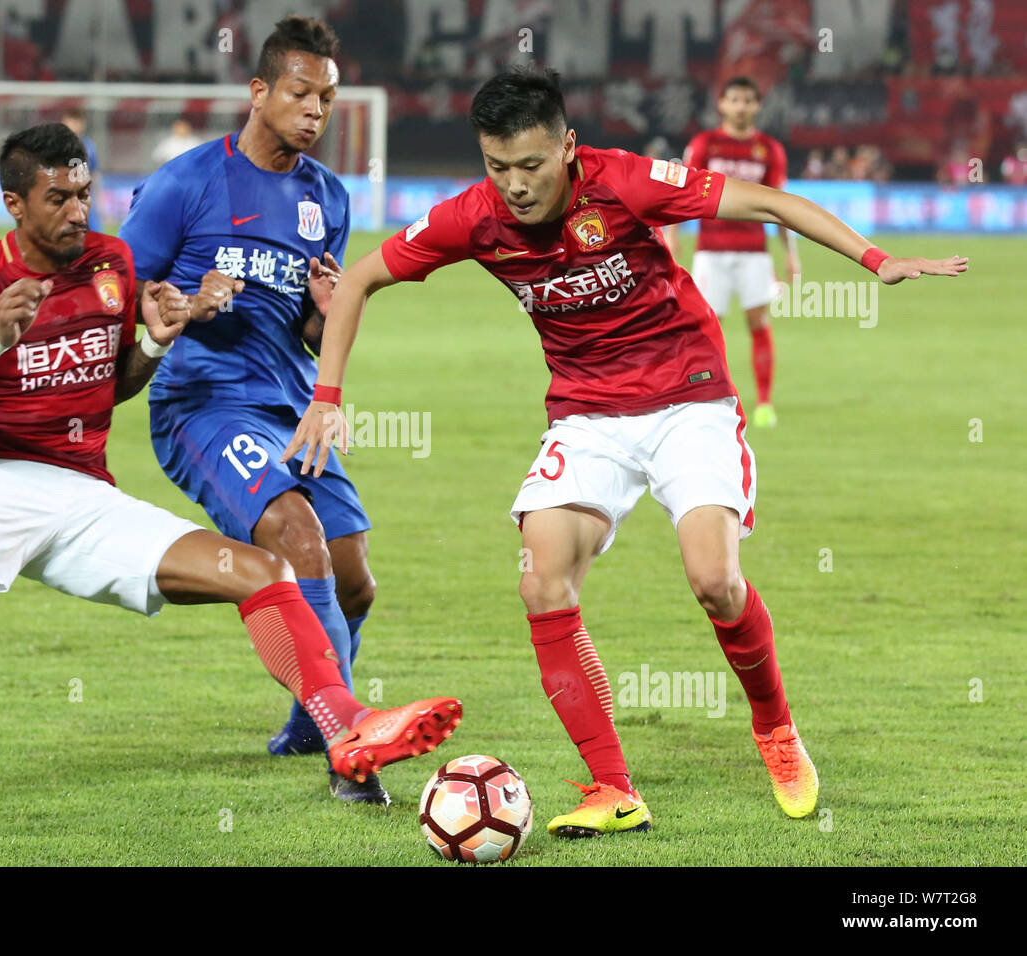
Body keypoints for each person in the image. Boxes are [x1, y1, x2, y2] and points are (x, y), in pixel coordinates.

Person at [284, 67, 967, 837]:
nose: (514, 186)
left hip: (689, 398)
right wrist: (327, 397)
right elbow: (363, 277)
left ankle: (774, 726)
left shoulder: (627, 183)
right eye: (497, 167)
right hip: (588, 414)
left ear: (568, 149)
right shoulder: (473, 218)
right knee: (543, 582)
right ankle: (613, 788)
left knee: (714, 581)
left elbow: (771, 202)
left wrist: (878, 262)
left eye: (532, 166)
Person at [0, 123, 461, 834]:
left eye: (85, 194)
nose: (78, 211)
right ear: (15, 204)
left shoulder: (112, 264)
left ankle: (348, 727)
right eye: (58, 198)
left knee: (263, 571)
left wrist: (159, 339)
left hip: (83, 492)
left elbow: (113, 386)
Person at [118, 16, 386, 804]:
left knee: (354, 580)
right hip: (201, 403)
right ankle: (351, 747)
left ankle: (306, 726)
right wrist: (178, 305)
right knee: (296, 537)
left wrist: (326, 312)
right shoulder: (188, 181)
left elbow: (309, 330)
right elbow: (117, 282)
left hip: (287, 406)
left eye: (328, 99)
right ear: (260, 91)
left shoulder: (327, 198)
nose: (316, 110)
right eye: (301, 93)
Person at [664, 78, 793, 428]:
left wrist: (790, 254)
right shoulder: (706, 144)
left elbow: (781, 206)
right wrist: (671, 235)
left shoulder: (769, 149)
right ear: (721, 104)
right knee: (707, 327)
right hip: (712, 252)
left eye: (747, 101)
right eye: (733, 100)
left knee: (759, 324)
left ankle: (764, 402)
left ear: (756, 106)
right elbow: (681, 191)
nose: (740, 107)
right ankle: (708, 397)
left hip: (754, 252)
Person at [59, 107, 100, 232]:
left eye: (78, 122)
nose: (75, 126)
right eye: (71, 122)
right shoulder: (57, 146)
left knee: (94, 234)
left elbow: (94, 173)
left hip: (84, 197)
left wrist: (99, 199)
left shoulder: (89, 146)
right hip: (65, 197)